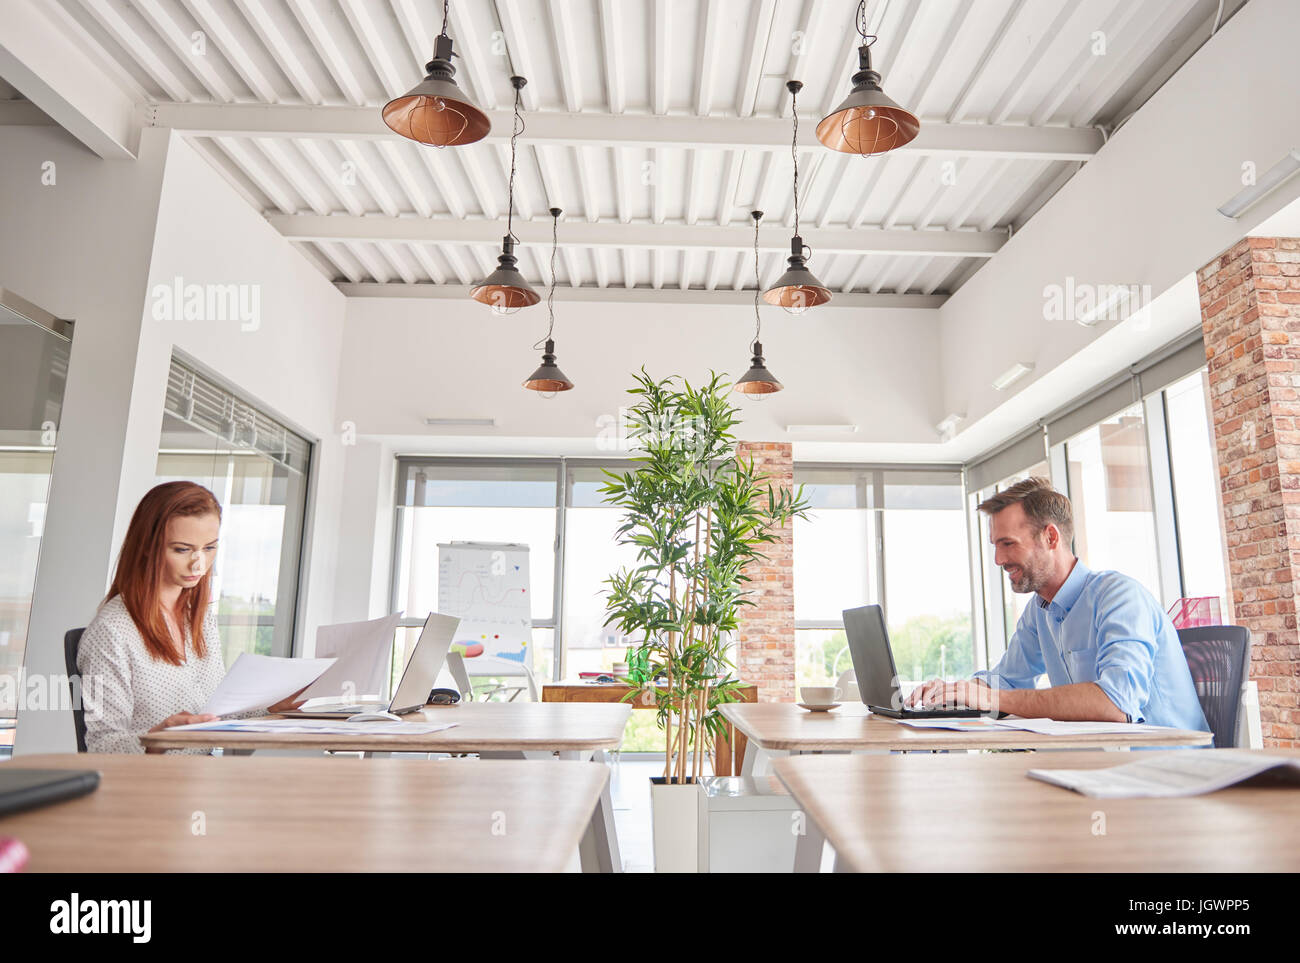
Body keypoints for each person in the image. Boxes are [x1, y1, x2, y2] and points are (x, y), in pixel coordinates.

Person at [907, 477, 1210, 733]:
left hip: (1167, 776)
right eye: (995, 546)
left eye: (1008, 544)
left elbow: (1116, 704)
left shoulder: (1119, 597)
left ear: (1050, 537)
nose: (998, 560)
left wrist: (993, 699)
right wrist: (955, 692)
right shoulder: (1040, 610)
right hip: (1098, 769)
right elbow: (1007, 680)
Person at [78, 481, 299, 753]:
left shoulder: (198, 618)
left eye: (209, 548)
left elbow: (217, 714)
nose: (199, 564)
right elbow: (102, 746)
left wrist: (271, 707)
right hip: (152, 786)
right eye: (182, 549)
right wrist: (155, 741)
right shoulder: (112, 632)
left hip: (201, 777)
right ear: (147, 546)